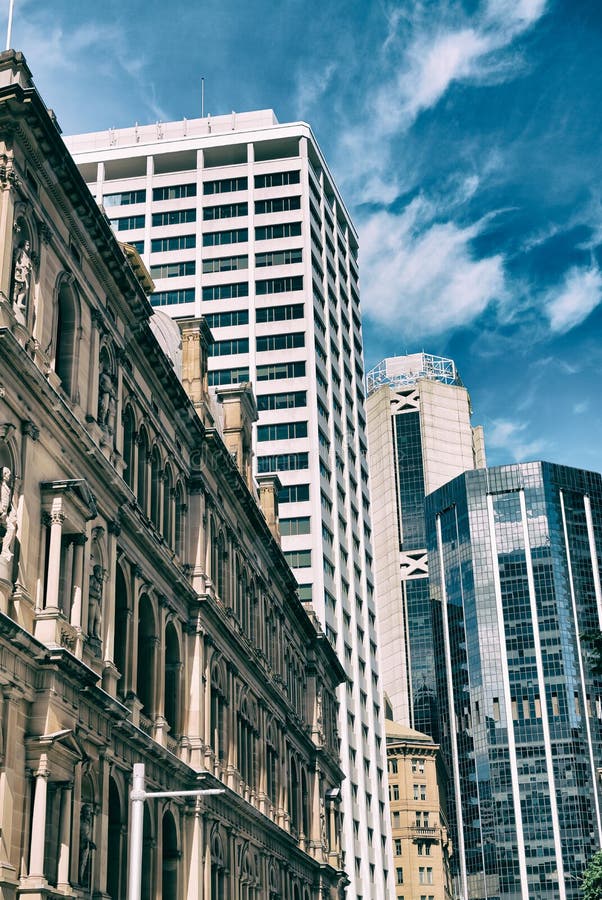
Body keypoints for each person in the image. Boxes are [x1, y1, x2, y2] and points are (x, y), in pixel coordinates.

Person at [12, 239, 32, 312]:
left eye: (29, 245)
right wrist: (18, 266)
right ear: (23, 244)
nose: (28, 247)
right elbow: (15, 259)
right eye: (27, 245)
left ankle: (19, 302)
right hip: (20, 271)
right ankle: (14, 299)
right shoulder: (20, 251)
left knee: (26, 287)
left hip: (25, 273)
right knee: (18, 284)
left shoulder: (27, 256)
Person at [88, 564, 103, 639]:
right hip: (92, 601)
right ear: (95, 572)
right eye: (99, 572)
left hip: (96, 602)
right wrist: (96, 594)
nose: (100, 575)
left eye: (101, 573)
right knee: (92, 618)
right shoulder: (92, 578)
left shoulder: (98, 582)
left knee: (98, 619)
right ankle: (90, 632)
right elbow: (88, 589)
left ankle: (96, 633)